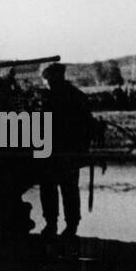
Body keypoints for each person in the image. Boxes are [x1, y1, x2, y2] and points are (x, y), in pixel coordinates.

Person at [38, 61, 94, 238]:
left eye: (46, 79)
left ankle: (55, 225)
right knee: (65, 188)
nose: (45, 82)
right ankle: (67, 226)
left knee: (54, 187)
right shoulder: (77, 96)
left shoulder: (51, 98)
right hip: (66, 151)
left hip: (60, 151)